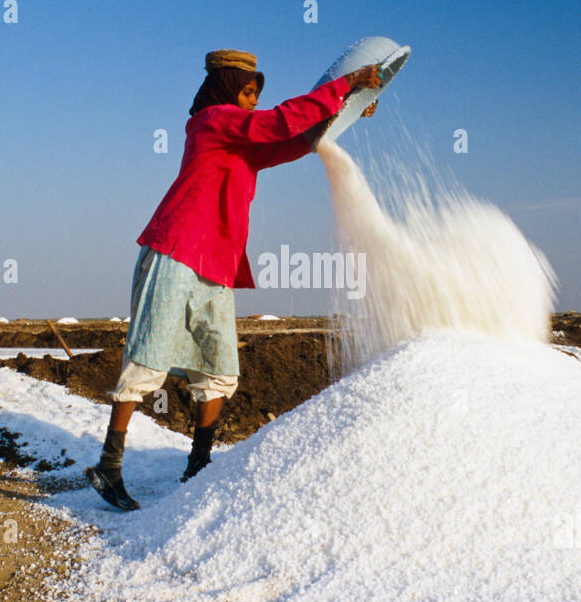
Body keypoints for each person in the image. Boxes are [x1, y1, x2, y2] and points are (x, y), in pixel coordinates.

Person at [85, 49, 383, 510]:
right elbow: (277, 122)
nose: (250, 104)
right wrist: (341, 86)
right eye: (246, 94)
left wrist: (347, 112)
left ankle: (198, 465)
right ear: (226, 89)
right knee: (149, 354)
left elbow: (291, 141)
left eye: (254, 97)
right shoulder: (212, 122)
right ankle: (109, 464)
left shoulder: (242, 141)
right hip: (176, 250)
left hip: (216, 263)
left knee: (219, 365)